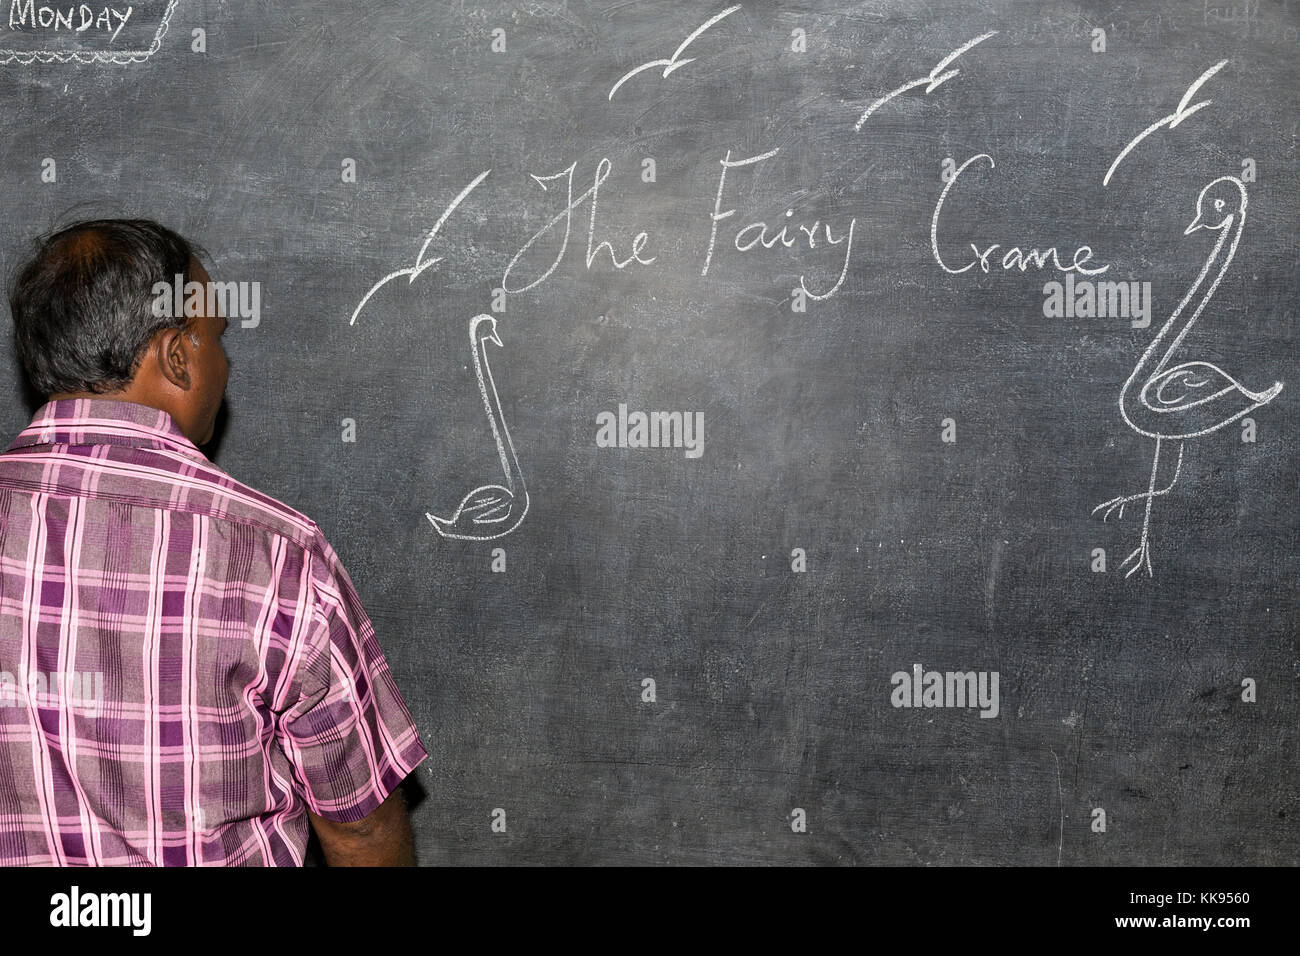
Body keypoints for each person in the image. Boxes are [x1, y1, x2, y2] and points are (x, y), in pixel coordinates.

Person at [0, 219, 428, 865]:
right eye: (215, 338)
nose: (224, 364)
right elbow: (360, 829)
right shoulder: (275, 553)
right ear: (177, 356)